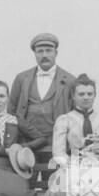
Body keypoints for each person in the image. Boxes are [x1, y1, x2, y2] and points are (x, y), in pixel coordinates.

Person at [8, 32, 76, 166]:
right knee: (27, 182)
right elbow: (11, 110)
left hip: (56, 145)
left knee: (53, 183)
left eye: (48, 51)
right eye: (40, 51)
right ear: (34, 54)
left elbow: (74, 114)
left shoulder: (70, 80)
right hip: (27, 143)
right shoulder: (22, 79)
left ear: (56, 53)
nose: (44, 55)